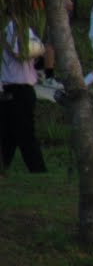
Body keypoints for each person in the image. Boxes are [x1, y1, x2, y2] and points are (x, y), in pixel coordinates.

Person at [1, 15, 48, 175]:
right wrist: (39, 49)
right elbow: (20, 53)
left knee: (12, 133)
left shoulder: (25, 29)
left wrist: (40, 50)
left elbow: (38, 51)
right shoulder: (12, 28)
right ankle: (38, 170)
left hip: (23, 87)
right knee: (18, 132)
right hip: (14, 86)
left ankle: (35, 170)